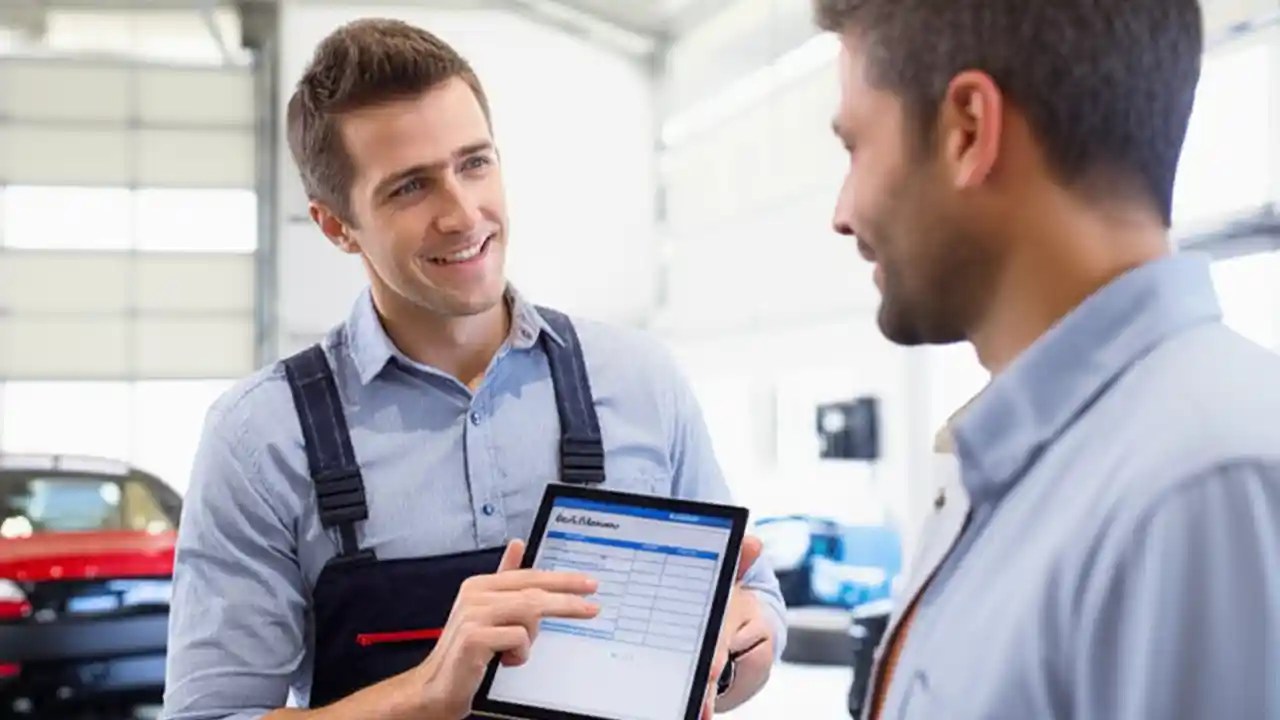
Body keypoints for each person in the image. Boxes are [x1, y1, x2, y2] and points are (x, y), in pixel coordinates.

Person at [161, 18, 785, 720]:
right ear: (336, 224)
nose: (463, 214)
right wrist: (424, 694)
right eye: (409, 188)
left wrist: (732, 651)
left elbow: (753, 612)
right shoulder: (261, 439)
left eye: (474, 163)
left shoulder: (640, 382)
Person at [813, 0, 1280, 718]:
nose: (842, 213)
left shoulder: (1196, 487)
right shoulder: (1020, 471)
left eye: (854, 147)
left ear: (968, 129)